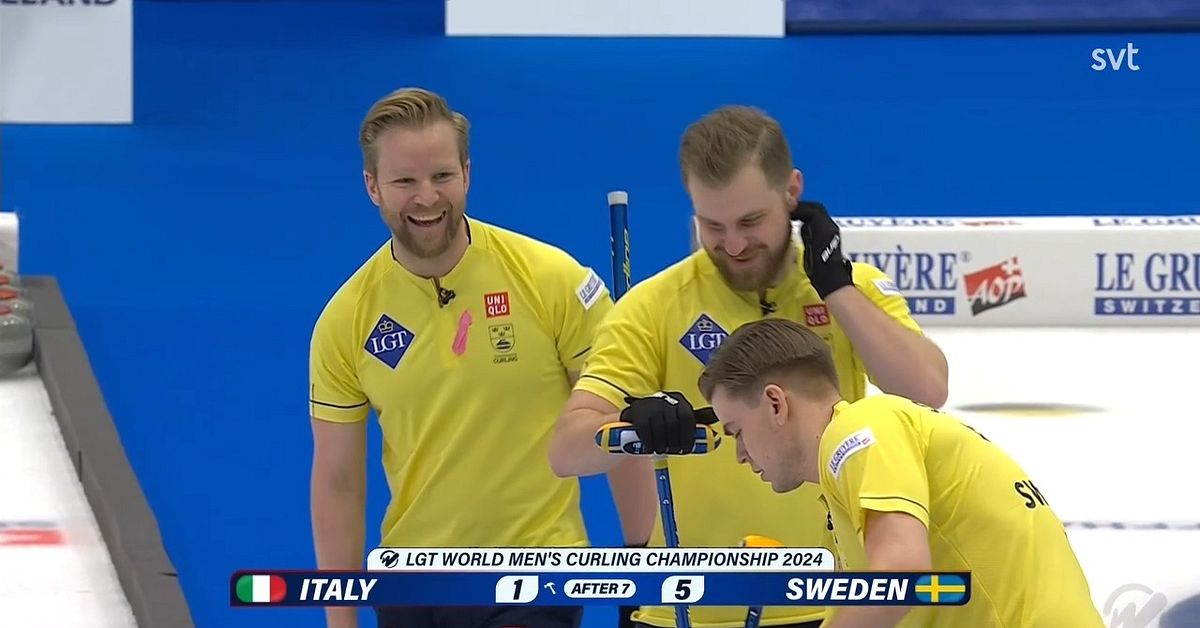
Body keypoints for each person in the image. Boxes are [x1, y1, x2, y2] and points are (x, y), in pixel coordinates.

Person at [548, 105, 950, 628]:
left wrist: (836, 288)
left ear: (792, 191)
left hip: (835, 601)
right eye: (712, 225)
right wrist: (631, 431)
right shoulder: (655, 305)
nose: (733, 245)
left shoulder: (849, 290)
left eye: (750, 221)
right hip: (688, 610)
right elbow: (566, 450)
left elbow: (927, 389)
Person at [308, 87, 613, 628]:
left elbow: (614, 425)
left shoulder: (552, 281)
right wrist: (341, 620)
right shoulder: (346, 319)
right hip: (410, 581)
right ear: (372, 187)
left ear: (467, 174)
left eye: (442, 176)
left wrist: (642, 562)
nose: (427, 197)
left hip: (534, 569)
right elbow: (338, 480)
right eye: (405, 181)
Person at [697, 318, 1105, 628]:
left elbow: (902, 575)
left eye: (738, 432)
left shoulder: (861, 428)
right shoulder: (857, 476)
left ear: (774, 404)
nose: (740, 455)